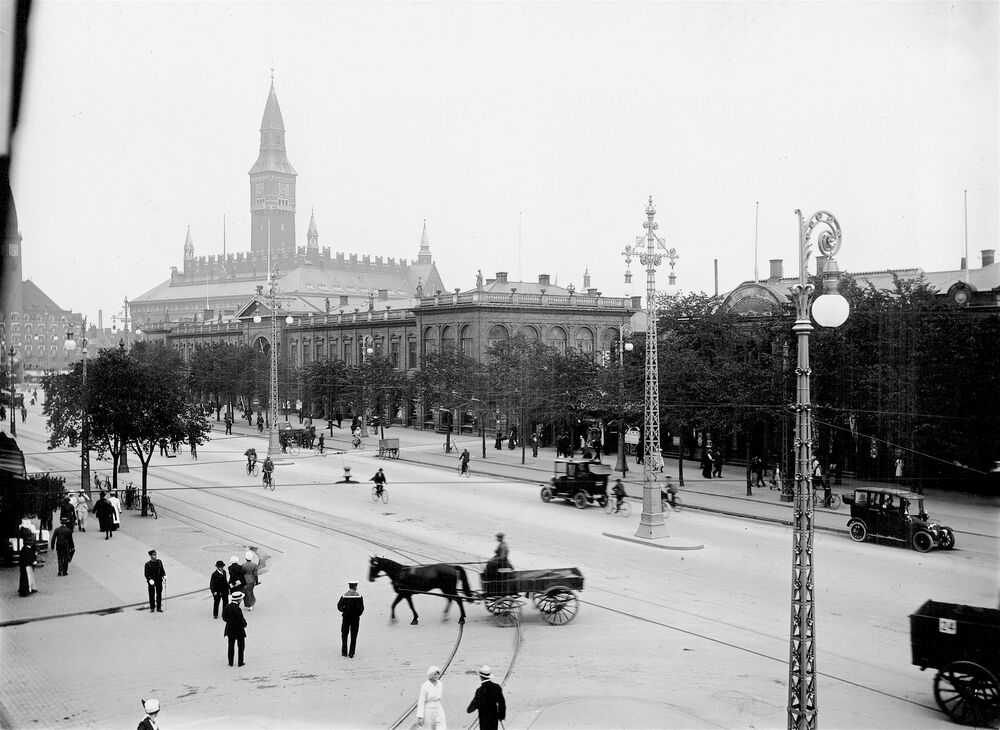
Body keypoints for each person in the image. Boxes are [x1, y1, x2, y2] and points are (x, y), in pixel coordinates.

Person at [467, 664, 506, 730]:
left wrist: (469, 709)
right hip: (494, 719)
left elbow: (474, 705)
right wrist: (501, 715)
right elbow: (502, 703)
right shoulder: (496, 687)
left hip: (484, 721)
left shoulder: (480, 690)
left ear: (481, 677)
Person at [337, 580, 365, 658]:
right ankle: (351, 652)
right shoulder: (359, 596)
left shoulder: (344, 595)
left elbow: (339, 607)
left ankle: (344, 651)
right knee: (354, 635)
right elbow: (361, 608)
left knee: (344, 634)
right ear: (355, 586)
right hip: (355, 618)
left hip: (346, 618)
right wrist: (357, 614)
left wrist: (344, 610)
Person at [222, 591, 247, 667]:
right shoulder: (237, 609)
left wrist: (230, 622)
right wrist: (244, 624)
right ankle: (240, 662)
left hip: (230, 629)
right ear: (239, 600)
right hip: (238, 630)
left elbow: (224, 618)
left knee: (231, 646)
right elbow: (241, 619)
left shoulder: (226, 607)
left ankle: (230, 662)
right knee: (241, 647)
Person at [18, 529, 38, 596]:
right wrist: (33, 561)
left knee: (25, 578)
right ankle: (26, 590)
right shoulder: (28, 549)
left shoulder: (24, 549)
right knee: (27, 578)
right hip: (27, 565)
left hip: (24, 565)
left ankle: (26, 589)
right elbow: (28, 558)